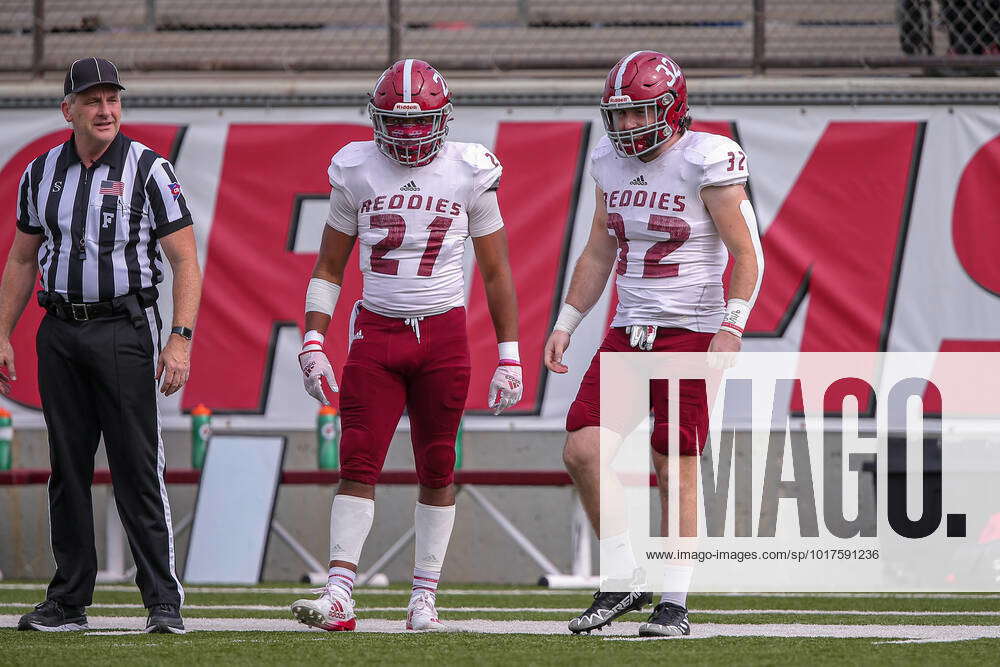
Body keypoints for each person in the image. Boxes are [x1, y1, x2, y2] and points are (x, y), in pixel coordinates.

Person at [289, 58, 521, 632]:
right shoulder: (356, 170)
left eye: (422, 122)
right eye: (398, 122)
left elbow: (496, 273)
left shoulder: (469, 170)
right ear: (377, 120)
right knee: (357, 458)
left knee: (438, 464)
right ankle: (339, 593)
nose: (411, 134)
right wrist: (313, 340)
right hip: (377, 331)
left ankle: (423, 598)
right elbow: (329, 267)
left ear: (444, 119)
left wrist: (510, 356)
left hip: (443, 334)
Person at [543, 50, 764, 637]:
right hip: (628, 329)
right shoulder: (608, 162)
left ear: (672, 108)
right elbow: (599, 250)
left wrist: (732, 326)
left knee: (674, 461)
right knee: (583, 450)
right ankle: (622, 577)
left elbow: (748, 253)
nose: (628, 125)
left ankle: (674, 601)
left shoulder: (706, 160)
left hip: (690, 329)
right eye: (620, 114)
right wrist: (567, 321)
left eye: (640, 113)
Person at [1, 57, 201, 633]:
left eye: (112, 99)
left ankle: (162, 600)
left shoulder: (149, 169)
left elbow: (185, 260)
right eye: (92, 100)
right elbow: (22, 258)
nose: (105, 110)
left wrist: (179, 339)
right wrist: (2, 333)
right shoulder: (41, 172)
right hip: (60, 329)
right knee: (67, 467)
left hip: (123, 327)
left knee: (136, 465)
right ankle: (69, 600)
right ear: (68, 109)